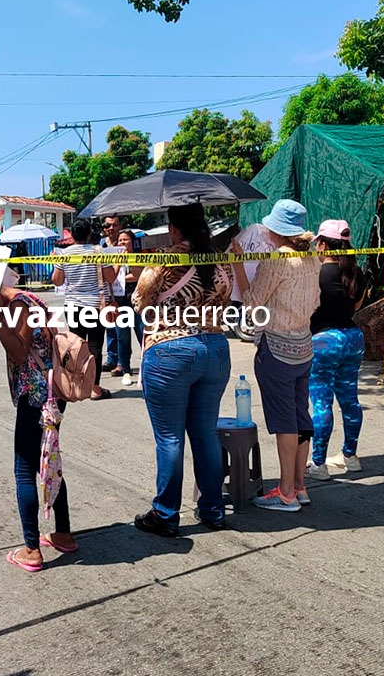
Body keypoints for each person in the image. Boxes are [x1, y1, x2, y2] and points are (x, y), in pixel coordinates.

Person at [132, 204, 233, 536]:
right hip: (215, 349)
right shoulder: (220, 260)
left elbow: (140, 301)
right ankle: (213, 510)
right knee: (205, 434)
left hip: (170, 350)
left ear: (173, 228)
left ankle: (165, 514)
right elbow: (226, 299)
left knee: (170, 438)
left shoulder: (164, 259)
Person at [231, 200, 321, 512]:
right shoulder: (312, 259)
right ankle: (299, 485)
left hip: (277, 348)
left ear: (275, 231)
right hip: (304, 345)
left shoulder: (276, 261)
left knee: (285, 422)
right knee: (300, 416)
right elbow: (315, 303)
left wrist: (238, 264)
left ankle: (285, 492)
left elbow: (252, 302)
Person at [0, 268, 75, 571]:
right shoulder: (33, 299)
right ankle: (63, 533)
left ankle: (31, 550)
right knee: (49, 459)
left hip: (35, 395)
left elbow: (18, 352)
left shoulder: (18, 305)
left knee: (25, 468)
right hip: (53, 391)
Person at [307, 220, 367, 479]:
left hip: (323, 341)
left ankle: (318, 464)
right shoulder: (356, 272)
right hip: (353, 338)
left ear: (322, 244)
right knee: (350, 400)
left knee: (322, 403)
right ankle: (350, 456)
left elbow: (308, 306)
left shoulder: (316, 273)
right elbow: (356, 307)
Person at [51, 219, 116, 400]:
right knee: (95, 345)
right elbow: (110, 277)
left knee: (76, 345)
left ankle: (75, 384)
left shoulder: (64, 254)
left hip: (73, 306)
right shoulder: (99, 252)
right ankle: (94, 388)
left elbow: (57, 281)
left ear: (72, 235)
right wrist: (117, 264)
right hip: (95, 305)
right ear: (89, 234)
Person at [112, 230, 145, 387]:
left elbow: (138, 275)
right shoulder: (114, 257)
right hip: (121, 302)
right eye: (120, 240)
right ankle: (126, 369)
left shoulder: (138, 256)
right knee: (122, 338)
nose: (122, 243)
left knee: (142, 334)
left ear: (132, 242)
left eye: (125, 240)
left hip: (137, 302)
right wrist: (119, 262)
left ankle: (146, 368)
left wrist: (129, 260)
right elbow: (111, 276)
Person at [99, 215, 123, 373]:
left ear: (120, 226)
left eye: (115, 225)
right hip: (107, 292)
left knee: (122, 329)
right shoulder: (100, 245)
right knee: (110, 327)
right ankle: (111, 359)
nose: (111, 228)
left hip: (124, 291)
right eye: (108, 225)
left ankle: (122, 362)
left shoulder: (124, 243)